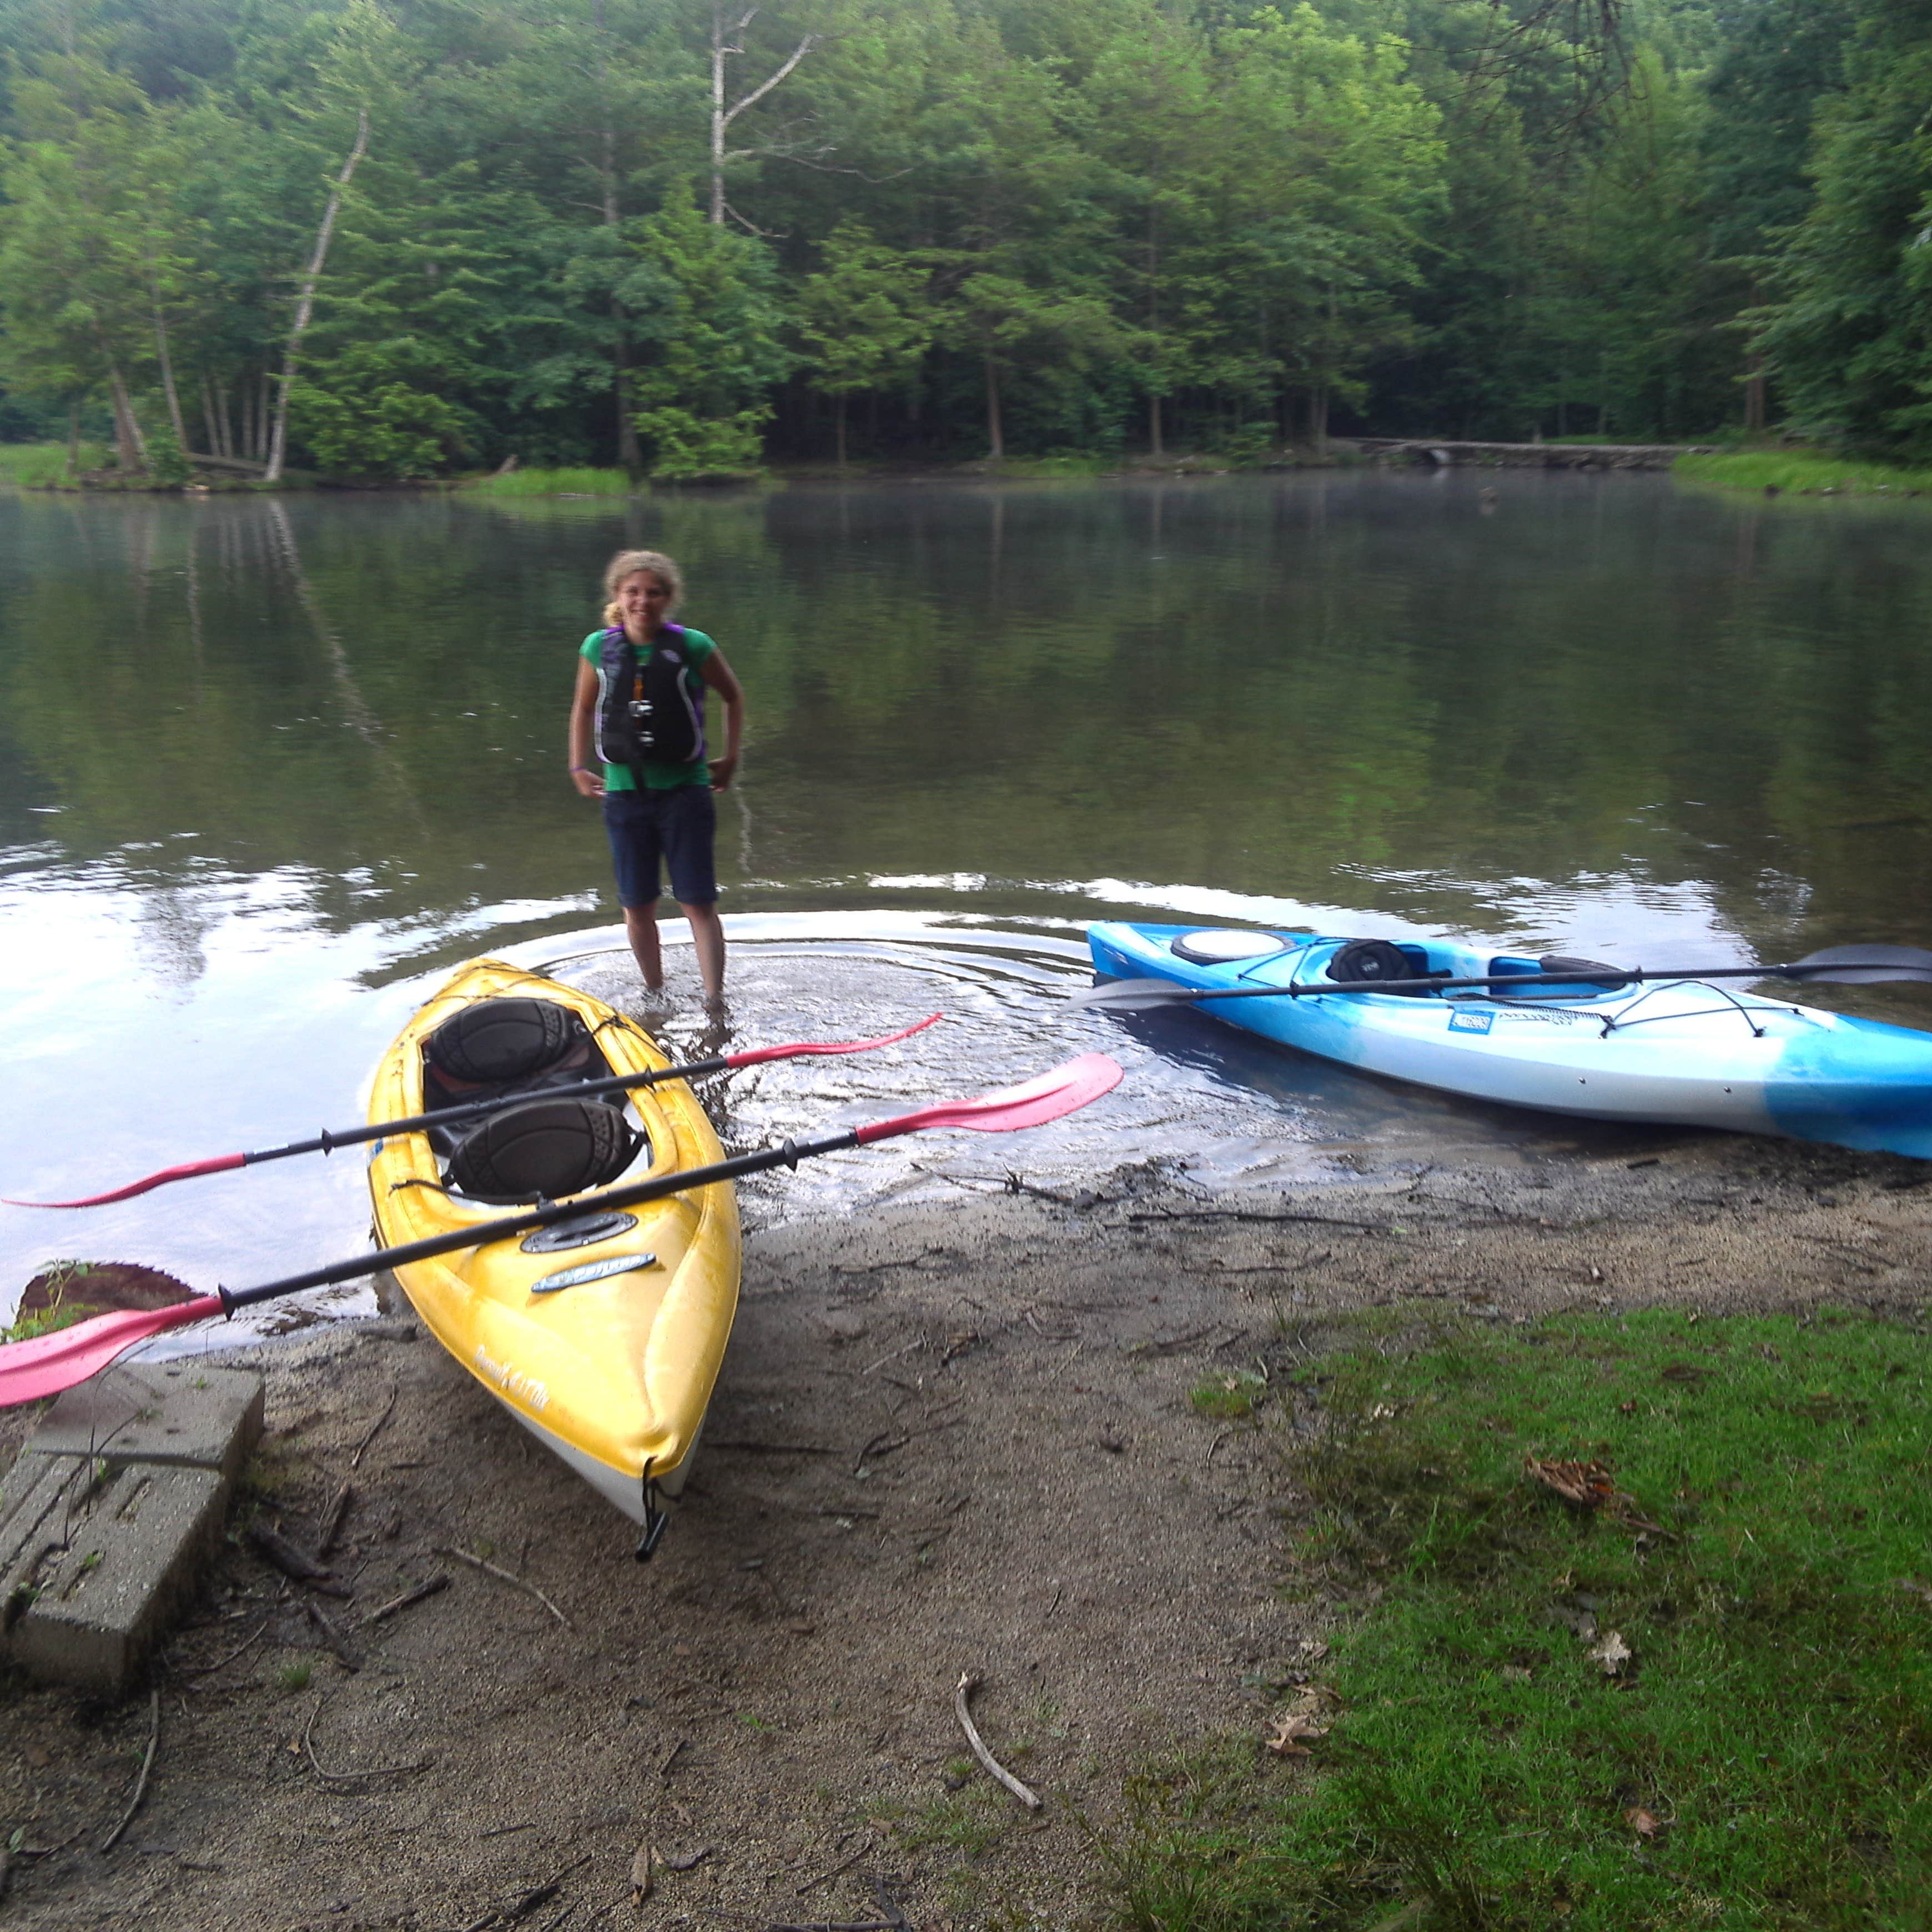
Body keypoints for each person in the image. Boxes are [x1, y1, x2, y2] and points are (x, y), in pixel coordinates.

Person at [568, 549, 744, 1002]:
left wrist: (730, 758)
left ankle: (715, 1002)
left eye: (653, 593)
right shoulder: (597, 648)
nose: (642, 601)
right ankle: (654, 993)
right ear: (618, 595)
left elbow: (732, 696)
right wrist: (578, 767)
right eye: (633, 592)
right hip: (625, 796)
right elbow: (583, 708)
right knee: (637, 906)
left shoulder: (694, 646)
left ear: (668, 598)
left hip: (686, 793)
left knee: (697, 903)